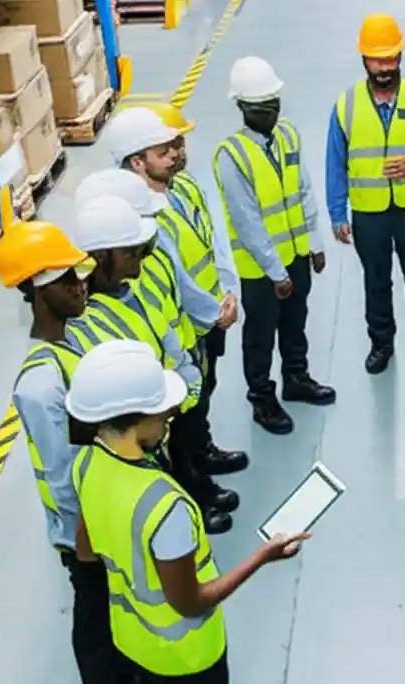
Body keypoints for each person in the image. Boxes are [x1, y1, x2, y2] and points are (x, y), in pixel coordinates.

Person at [68, 339, 311, 684]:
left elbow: (86, 552)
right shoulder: (165, 506)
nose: (169, 417)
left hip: (134, 642)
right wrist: (262, 557)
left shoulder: (85, 465)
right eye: (160, 412)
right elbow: (191, 602)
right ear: (135, 418)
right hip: (187, 658)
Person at [0, 221, 142, 684]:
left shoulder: (73, 340)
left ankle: (126, 674)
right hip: (82, 523)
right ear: (39, 293)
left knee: (115, 596)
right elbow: (60, 472)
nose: (81, 286)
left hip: (106, 507)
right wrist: (85, 534)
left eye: (78, 276)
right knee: (94, 606)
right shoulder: (39, 384)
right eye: (65, 282)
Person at [73, 169, 241, 535]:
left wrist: (187, 378)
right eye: (133, 248)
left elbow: (166, 319)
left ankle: (198, 486)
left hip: (173, 382)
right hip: (146, 403)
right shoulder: (89, 314)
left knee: (186, 441)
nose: (142, 253)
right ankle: (191, 499)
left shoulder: (147, 269)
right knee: (167, 460)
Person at [105, 105, 250, 478]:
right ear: (137, 162)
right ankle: (193, 478)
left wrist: (228, 290)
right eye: (164, 150)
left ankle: (203, 450)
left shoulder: (182, 187)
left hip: (212, 316)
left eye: (175, 146)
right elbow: (179, 279)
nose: (175, 154)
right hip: (186, 329)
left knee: (204, 390)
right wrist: (215, 312)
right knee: (183, 407)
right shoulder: (139, 219)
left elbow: (213, 239)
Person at [213, 56, 335, 435]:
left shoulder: (289, 136)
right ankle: (262, 398)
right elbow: (247, 220)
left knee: (295, 323)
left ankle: (296, 379)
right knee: (261, 335)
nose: (271, 113)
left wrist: (314, 242)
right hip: (261, 269)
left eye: (274, 104)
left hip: (296, 254)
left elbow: (303, 190)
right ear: (242, 107)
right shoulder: (231, 156)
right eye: (262, 107)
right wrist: (275, 272)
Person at [327, 12, 405, 374]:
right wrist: (338, 213)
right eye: (375, 59)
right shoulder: (346, 104)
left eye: (389, 58)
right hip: (369, 213)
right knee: (376, 281)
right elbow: (335, 163)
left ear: (400, 56)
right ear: (364, 59)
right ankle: (381, 343)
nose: (383, 68)